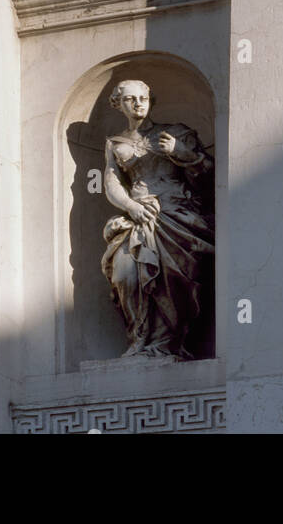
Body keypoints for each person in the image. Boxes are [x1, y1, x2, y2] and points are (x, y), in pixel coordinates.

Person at [100, 79, 213, 359]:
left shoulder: (174, 133)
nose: (138, 103)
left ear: (151, 101)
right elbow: (111, 183)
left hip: (176, 215)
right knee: (126, 274)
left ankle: (169, 343)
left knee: (174, 278)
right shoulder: (115, 144)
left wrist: (181, 153)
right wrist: (130, 206)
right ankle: (139, 339)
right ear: (118, 104)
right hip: (137, 217)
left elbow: (209, 176)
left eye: (143, 98)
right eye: (130, 99)